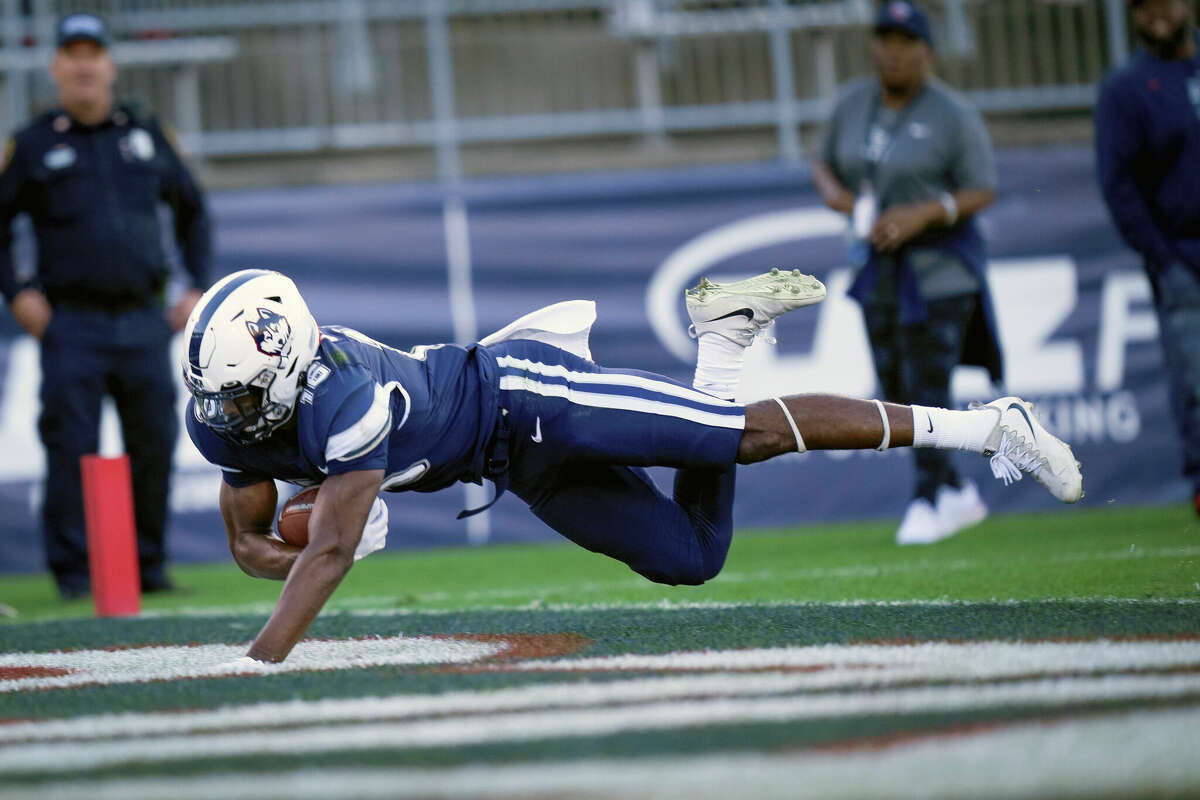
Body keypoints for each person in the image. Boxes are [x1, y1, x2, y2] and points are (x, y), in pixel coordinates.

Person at [182, 268, 1081, 665]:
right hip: (510, 461)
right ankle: (724, 343)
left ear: (294, 358)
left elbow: (327, 553)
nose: (229, 415)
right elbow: (250, 544)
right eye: (220, 397)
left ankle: (989, 427)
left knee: (744, 438)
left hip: (529, 394)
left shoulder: (342, 397)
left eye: (244, 392)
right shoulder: (229, 415)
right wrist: (300, 548)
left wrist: (260, 657)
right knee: (691, 556)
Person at [0, 13, 212, 598]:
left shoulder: (146, 133)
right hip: (72, 323)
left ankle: (149, 565)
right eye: (73, 53)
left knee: (153, 441)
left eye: (94, 52)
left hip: (145, 319)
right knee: (71, 445)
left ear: (110, 65)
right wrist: (18, 293)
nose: (85, 64)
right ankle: (72, 573)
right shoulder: (35, 142)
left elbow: (193, 211)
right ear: (57, 67)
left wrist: (195, 285)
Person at [811, 0, 1002, 546]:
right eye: (884, 40)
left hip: (939, 270)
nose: (892, 53)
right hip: (878, 269)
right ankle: (955, 492)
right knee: (894, 388)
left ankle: (926, 498)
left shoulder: (952, 113)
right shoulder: (852, 104)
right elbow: (822, 164)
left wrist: (926, 212)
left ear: (927, 51)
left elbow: (982, 187)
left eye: (905, 42)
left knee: (927, 385)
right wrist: (844, 201)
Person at [1096, 0, 1200, 516]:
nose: (1155, 13)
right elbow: (1119, 188)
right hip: (1182, 258)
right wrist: (1166, 260)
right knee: (1196, 385)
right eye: (1141, 5)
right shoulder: (1126, 88)